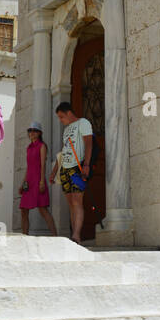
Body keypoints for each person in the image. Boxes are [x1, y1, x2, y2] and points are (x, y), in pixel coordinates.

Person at [48, 103, 93, 245]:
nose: (61, 120)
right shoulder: (66, 130)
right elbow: (63, 152)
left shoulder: (83, 123)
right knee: (70, 203)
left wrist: (86, 164)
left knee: (77, 201)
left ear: (68, 113)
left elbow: (88, 143)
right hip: (65, 169)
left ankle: (76, 235)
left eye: (61, 116)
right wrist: (54, 171)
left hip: (77, 167)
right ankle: (74, 236)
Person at [19, 124, 56, 236]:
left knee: (43, 209)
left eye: (35, 130)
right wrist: (23, 183)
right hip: (29, 182)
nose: (32, 133)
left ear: (40, 133)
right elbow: (28, 167)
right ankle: (24, 236)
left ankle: (55, 236)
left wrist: (41, 182)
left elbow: (42, 165)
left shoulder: (42, 146)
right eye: (30, 130)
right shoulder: (29, 148)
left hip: (38, 180)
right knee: (24, 210)